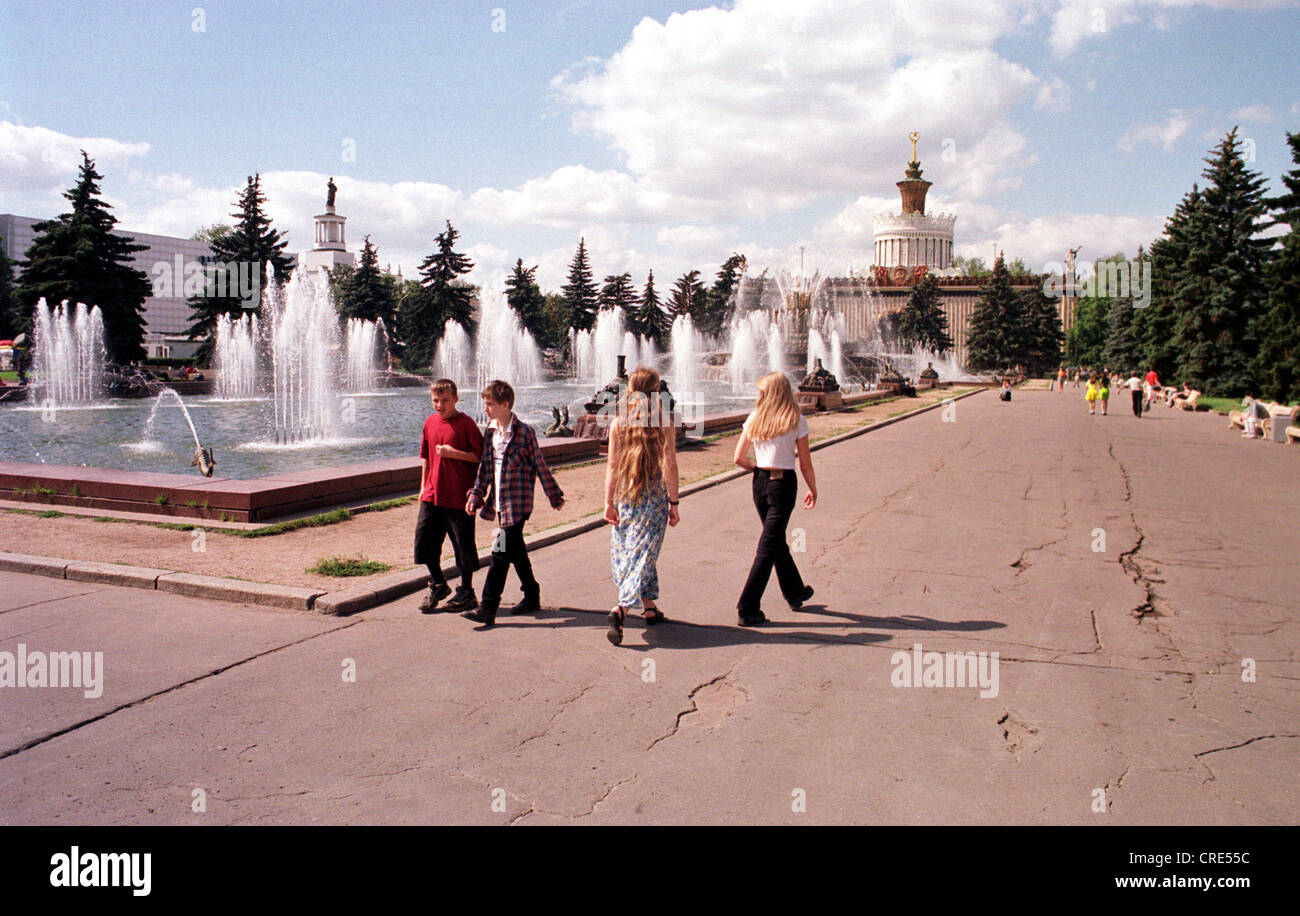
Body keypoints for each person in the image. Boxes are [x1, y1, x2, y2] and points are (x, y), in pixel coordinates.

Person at [462, 380, 565, 628]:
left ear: (505, 405)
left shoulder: (525, 433)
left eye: (490, 404)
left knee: (499, 553)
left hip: (517, 504)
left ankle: (487, 608)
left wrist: (554, 495)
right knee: (516, 551)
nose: (485, 408)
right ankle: (531, 594)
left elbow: (540, 464)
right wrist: (476, 494)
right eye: (485, 404)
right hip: (499, 503)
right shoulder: (490, 432)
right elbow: (485, 468)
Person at [603, 367, 681, 646]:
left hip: (627, 497)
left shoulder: (619, 423)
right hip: (654, 498)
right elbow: (670, 465)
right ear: (656, 391)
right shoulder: (664, 423)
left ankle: (649, 608)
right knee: (644, 552)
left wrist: (608, 502)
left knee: (637, 553)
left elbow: (612, 466)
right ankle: (621, 610)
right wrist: (674, 502)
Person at [732, 372, 817, 627]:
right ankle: (747, 606)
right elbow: (805, 462)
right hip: (783, 485)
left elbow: (738, 458)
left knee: (774, 539)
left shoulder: (755, 418)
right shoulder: (796, 420)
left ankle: (795, 591)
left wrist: (758, 470)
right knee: (768, 544)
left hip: (759, 484)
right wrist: (813, 488)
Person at [414, 379, 483, 614]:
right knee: (424, 541)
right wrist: (423, 486)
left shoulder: (466, 424)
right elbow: (425, 456)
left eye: (445, 400)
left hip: (459, 497)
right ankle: (438, 584)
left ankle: (467, 592)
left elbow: (479, 457)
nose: (439, 405)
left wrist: (454, 453)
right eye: (435, 400)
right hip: (432, 494)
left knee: (463, 545)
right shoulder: (430, 422)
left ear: (455, 399)